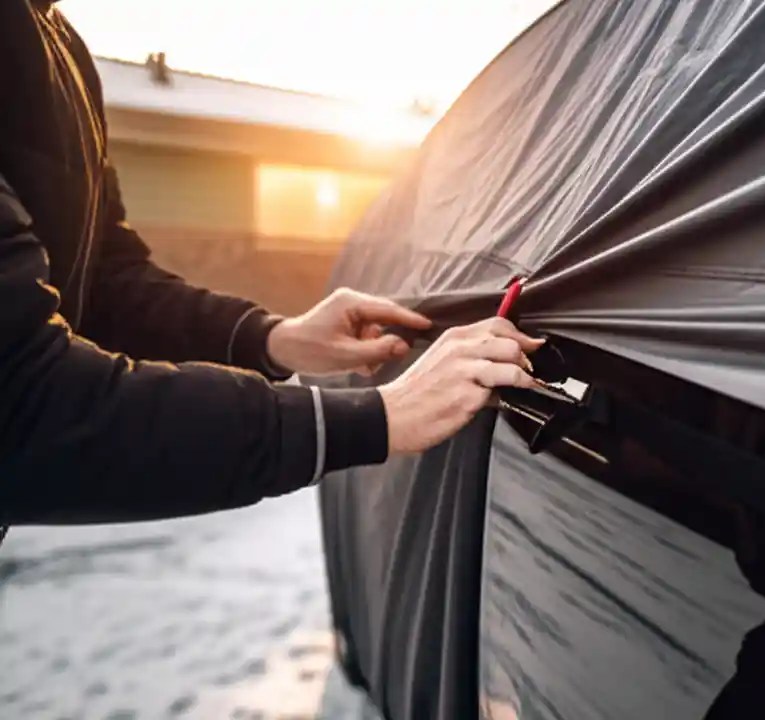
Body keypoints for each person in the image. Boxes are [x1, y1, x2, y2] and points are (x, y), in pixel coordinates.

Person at [0, 0, 540, 530]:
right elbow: (22, 406)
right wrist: (371, 419)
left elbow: (105, 283)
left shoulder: (55, 39)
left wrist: (272, 338)